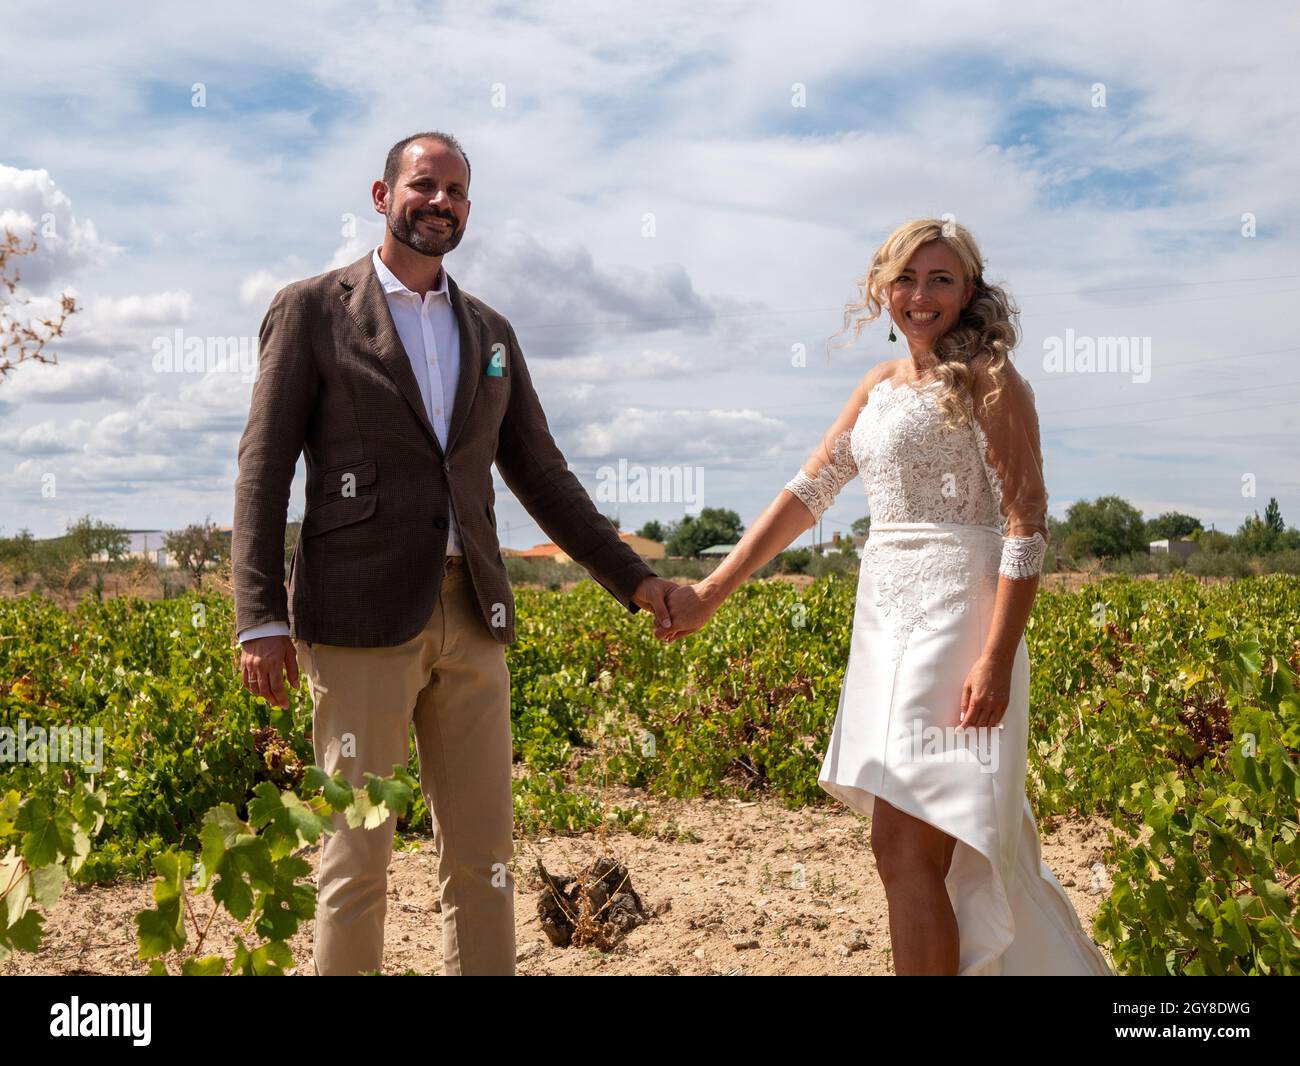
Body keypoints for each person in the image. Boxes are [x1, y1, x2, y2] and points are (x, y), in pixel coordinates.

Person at [232, 130, 678, 976]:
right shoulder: (313, 310)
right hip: (358, 619)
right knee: (356, 860)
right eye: (423, 186)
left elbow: (543, 477)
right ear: (381, 195)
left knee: (485, 859)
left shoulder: (491, 331)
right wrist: (258, 618)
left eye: (456, 193)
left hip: (473, 614)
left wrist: (636, 580)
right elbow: (263, 470)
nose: (440, 203)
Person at [658, 218, 1115, 976]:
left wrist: (997, 657)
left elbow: (1025, 522)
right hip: (883, 618)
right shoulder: (875, 387)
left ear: (969, 290)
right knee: (905, 851)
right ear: (881, 289)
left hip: (959, 623)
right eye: (906, 278)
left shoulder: (991, 379)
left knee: (911, 841)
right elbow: (812, 491)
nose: (921, 295)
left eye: (941, 279)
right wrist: (711, 590)